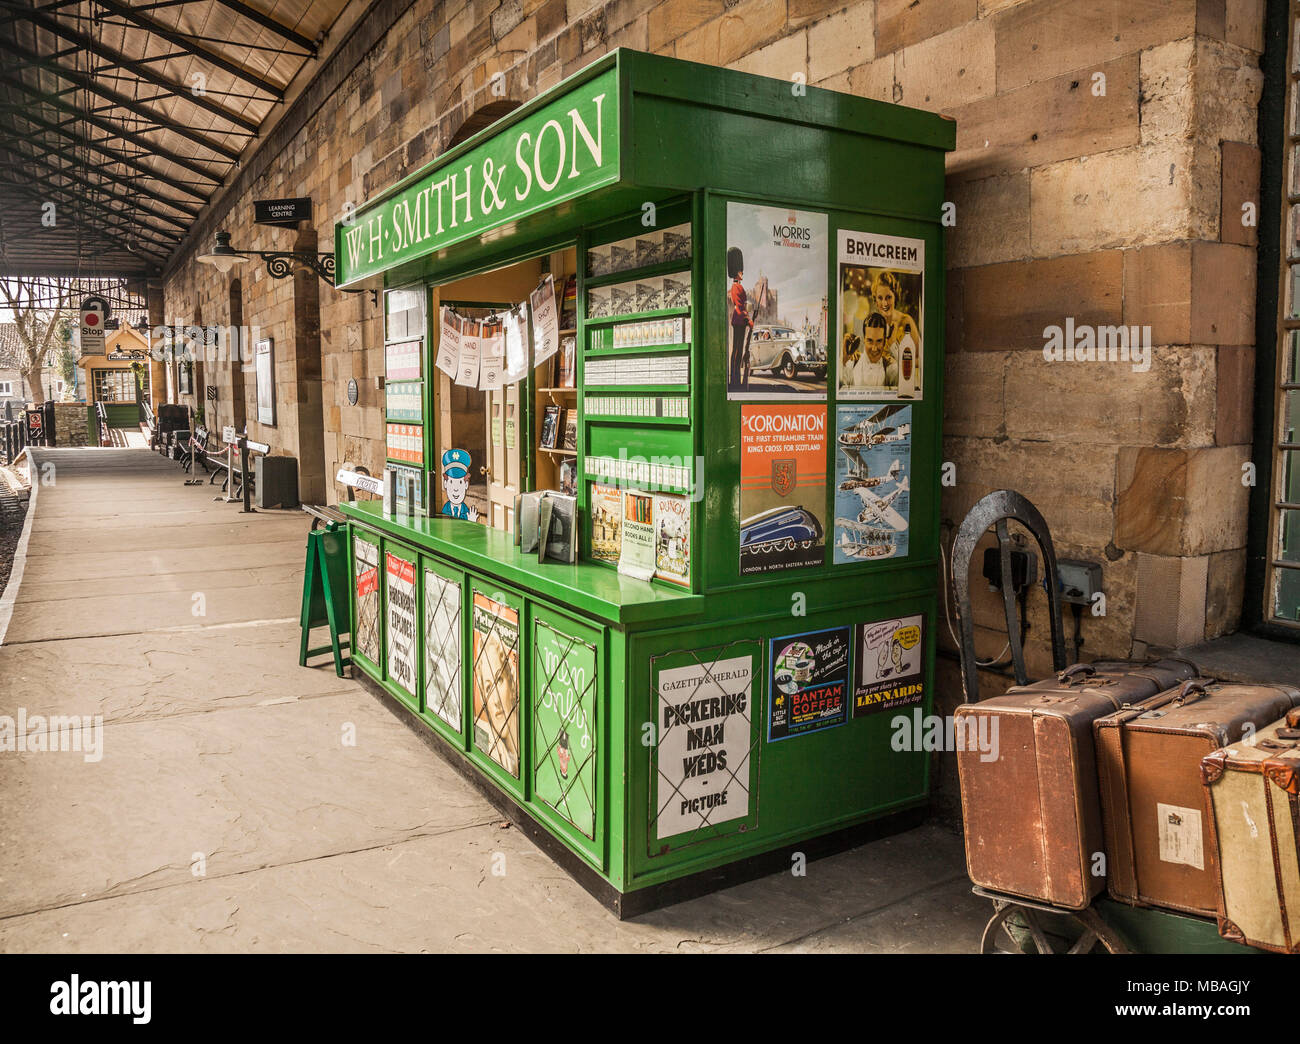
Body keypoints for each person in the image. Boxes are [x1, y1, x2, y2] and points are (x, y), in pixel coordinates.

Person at [871, 270, 920, 363]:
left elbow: (920, 360)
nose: (884, 303)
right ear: (876, 301)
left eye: (889, 297)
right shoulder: (874, 324)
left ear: (895, 297)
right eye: (880, 298)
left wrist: (893, 346)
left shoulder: (906, 321)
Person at [727, 246, 752, 390]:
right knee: (737, 351)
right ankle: (735, 380)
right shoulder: (736, 287)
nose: (742, 273)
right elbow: (739, 307)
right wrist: (748, 320)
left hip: (739, 320)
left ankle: (736, 379)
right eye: (741, 271)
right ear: (737, 272)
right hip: (739, 320)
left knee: (738, 350)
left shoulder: (738, 286)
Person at [440, 447, 478, 521]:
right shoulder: (445, 509)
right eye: (451, 482)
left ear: (466, 485)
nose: (456, 489)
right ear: (445, 483)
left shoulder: (466, 511)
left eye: (460, 482)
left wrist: (472, 522)